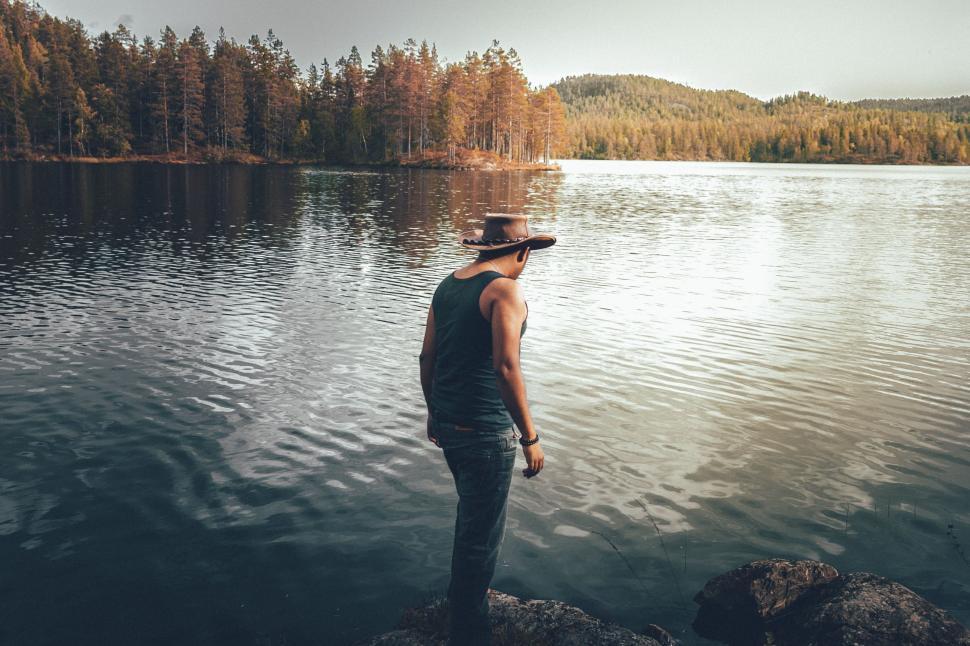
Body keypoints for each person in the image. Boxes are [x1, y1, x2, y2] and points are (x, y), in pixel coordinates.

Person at [419, 212, 556, 645]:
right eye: (527, 252)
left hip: (449, 425)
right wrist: (530, 437)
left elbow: (427, 357)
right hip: (485, 435)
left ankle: (458, 619)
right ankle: (468, 635)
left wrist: (433, 411)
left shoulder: (449, 284)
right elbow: (505, 366)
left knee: (471, 526)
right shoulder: (506, 291)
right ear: (521, 251)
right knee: (480, 545)